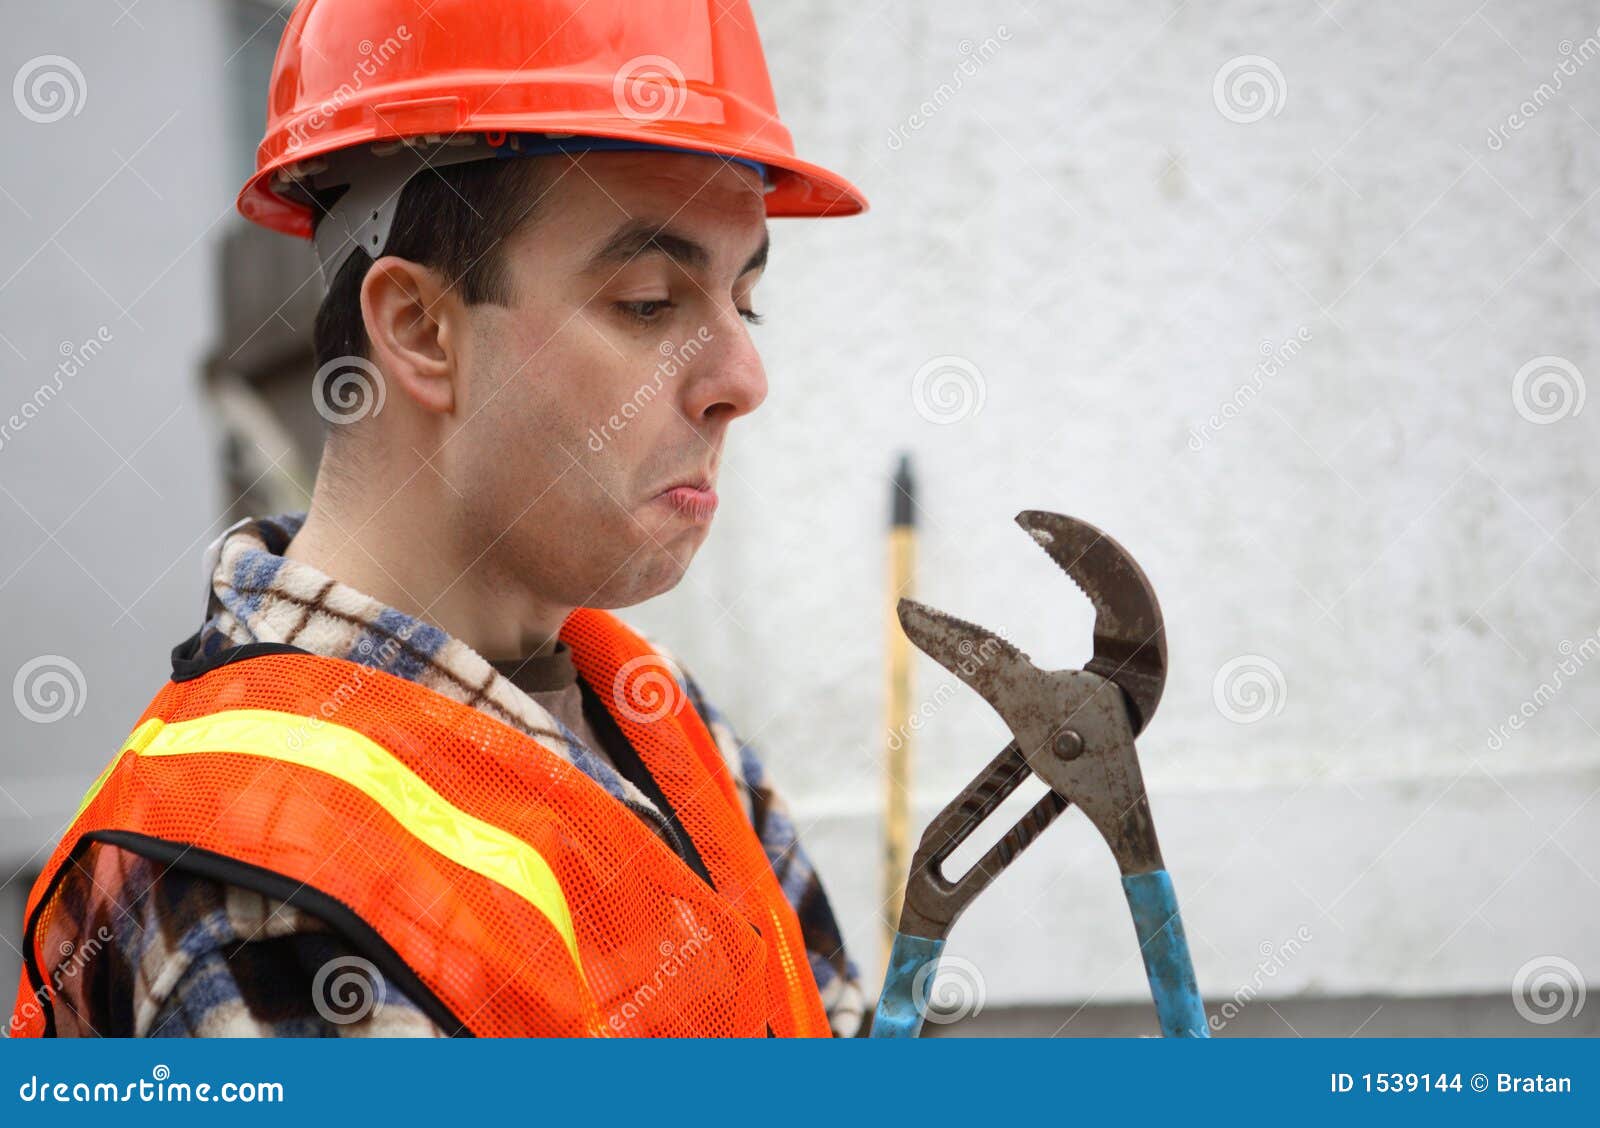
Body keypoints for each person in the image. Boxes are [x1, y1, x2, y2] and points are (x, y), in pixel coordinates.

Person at [10, 0, 869, 1038]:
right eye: (650, 302)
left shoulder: (667, 727)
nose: (743, 377)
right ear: (418, 329)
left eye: (747, 301)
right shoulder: (255, 871)